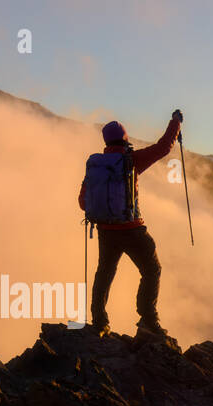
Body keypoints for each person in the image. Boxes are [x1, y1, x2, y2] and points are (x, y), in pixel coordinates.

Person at [78, 110, 182, 336]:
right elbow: (164, 147)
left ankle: (99, 322)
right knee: (152, 270)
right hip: (132, 230)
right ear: (125, 138)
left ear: (105, 141)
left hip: (106, 231)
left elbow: (82, 202)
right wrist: (176, 123)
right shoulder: (131, 161)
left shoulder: (95, 166)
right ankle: (147, 319)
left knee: (104, 273)